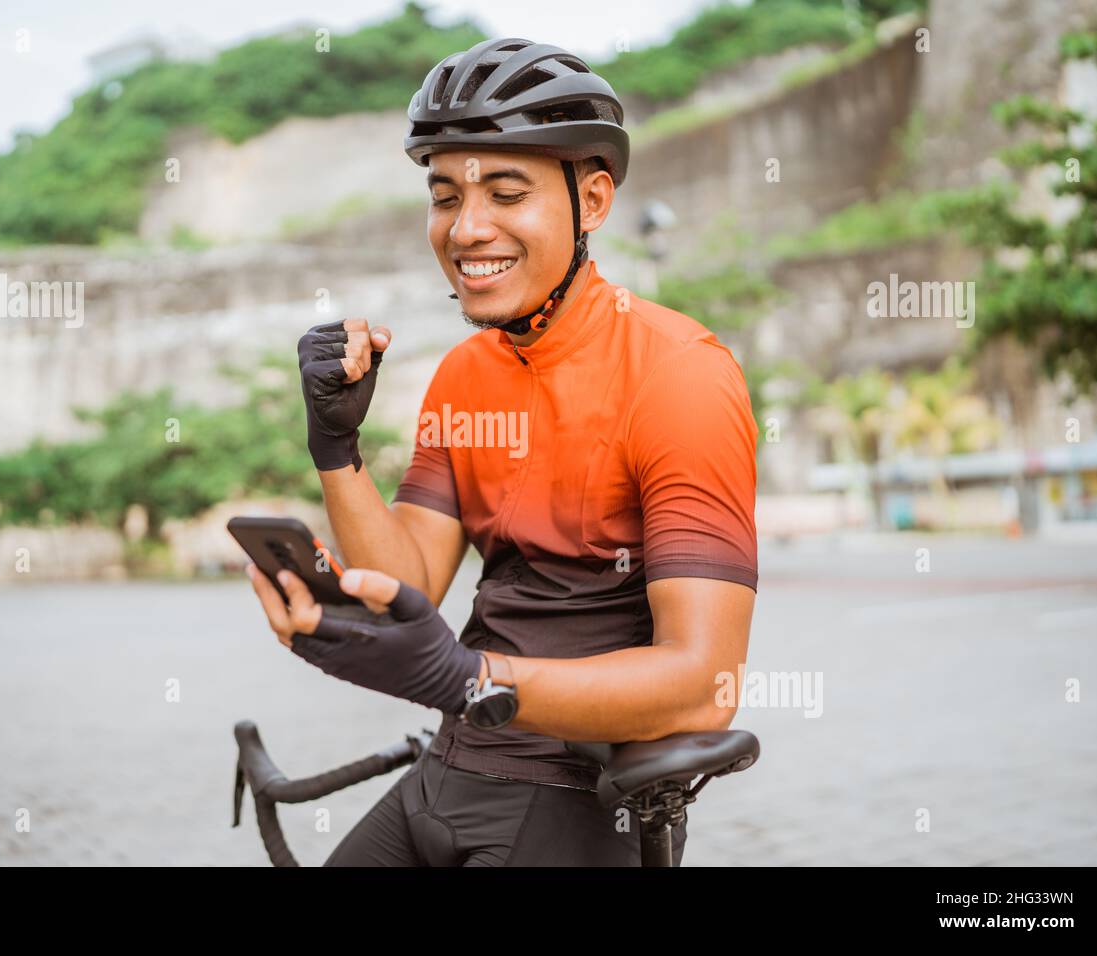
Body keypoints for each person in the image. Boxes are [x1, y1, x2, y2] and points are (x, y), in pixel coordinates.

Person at [246, 37, 758, 866]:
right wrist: (336, 448)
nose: (467, 228)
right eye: (445, 196)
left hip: (572, 800)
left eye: (507, 193)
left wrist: (467, 678)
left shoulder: (679, 374)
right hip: (447, 769)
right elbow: (408, 583)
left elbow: (703, 683)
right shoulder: (466, 371)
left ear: (593, 200)